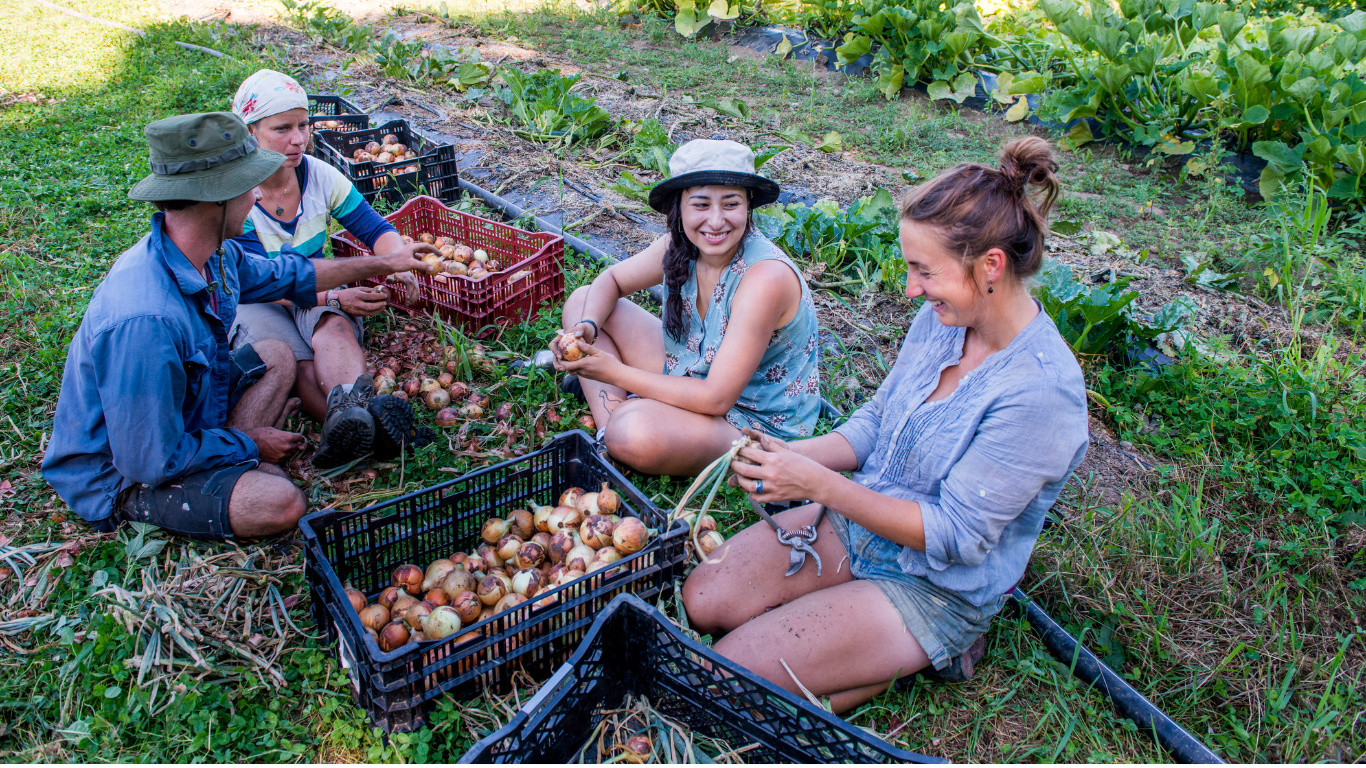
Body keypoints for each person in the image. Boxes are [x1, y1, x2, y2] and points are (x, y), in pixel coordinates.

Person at [682, 137, 1089, 713]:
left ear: (990, 265)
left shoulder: (1040, 393)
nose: (911, 289)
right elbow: (877, 422)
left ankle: (914, 644)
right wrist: (793, 453)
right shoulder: (943, 318)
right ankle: (850, 641)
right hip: (862, 521)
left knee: (727, 672)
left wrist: (818, 486)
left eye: (924, 271)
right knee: (705, 600)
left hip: (932, 583)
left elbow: (956, 536)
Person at [41, 112, 435, 540]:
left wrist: (385, 261)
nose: (255, 198)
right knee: (280, 501)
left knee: (277, 355)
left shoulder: (213, 254)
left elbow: (291, 276)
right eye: (249, 186)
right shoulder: (144, 320)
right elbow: (150, 460)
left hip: (187, 416)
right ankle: (207, 470)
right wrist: (252, 444)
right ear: (217, 197)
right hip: (125, 473)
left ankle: (228, 451)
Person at [550, 139, 821, 476]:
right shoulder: (680, 246)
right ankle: (611, 433)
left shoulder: (765, 278)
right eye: (701, 204)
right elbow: (612, 282)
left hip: (748, 420)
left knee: (635, 432)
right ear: (680, 207)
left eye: (731, 204)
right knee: (582, 302)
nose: (717, 220)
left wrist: (612, 371)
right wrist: (587, 330)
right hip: (694, 369)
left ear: (749, 205)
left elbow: (716, 399)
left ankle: (627, 425)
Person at [229, 69, 416, 467]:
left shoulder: (317, 175)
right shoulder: (240, 198)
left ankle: (353, 412)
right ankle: (368, 433)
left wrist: (398, 261)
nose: (298, 139)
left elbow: (375, 228)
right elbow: (259, 282)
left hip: (311, 286)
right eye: (282, 128)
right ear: (250, 133)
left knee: (331, 323)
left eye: (303, 125)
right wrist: (334, 293)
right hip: (261, 299)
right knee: (294, 362)